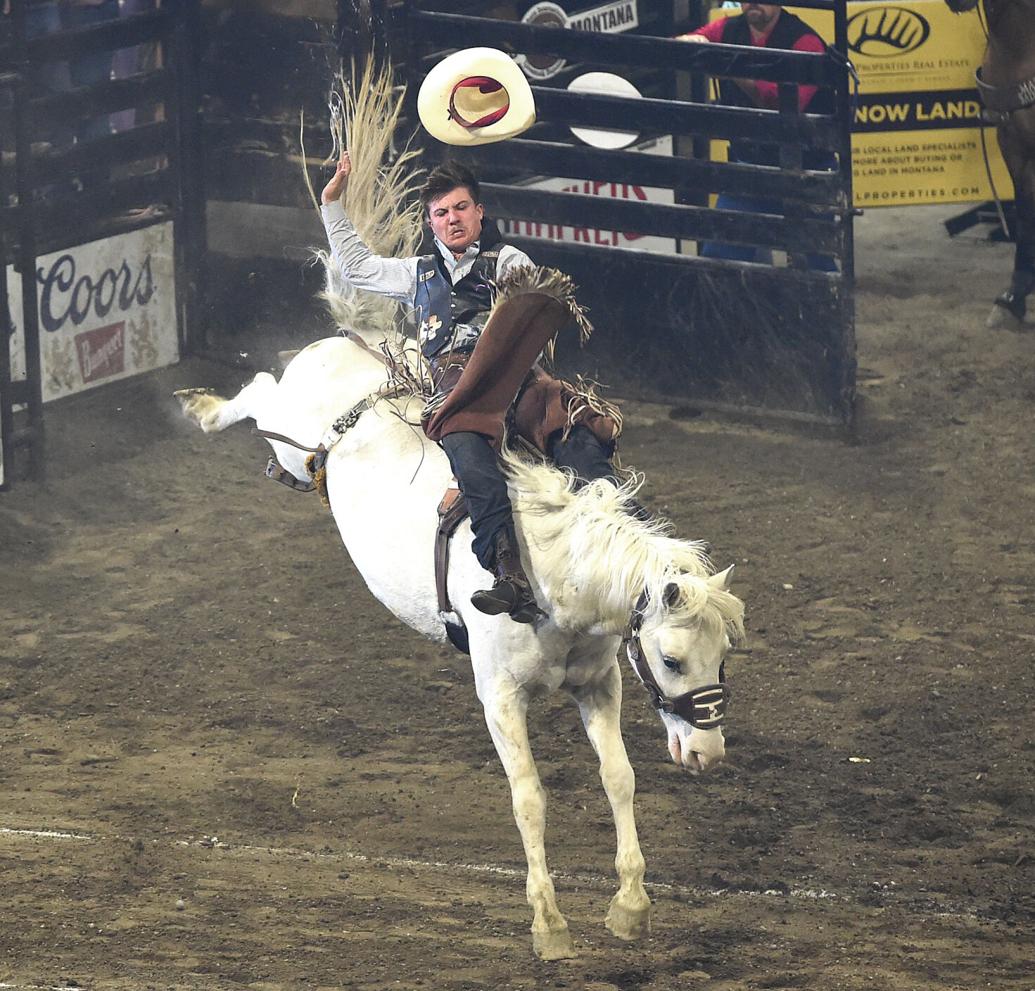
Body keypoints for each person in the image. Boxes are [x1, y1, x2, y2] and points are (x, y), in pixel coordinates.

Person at [320, 155, 620, 625]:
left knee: (572, 422)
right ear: (430, 222)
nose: (452, 219)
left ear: (480, 212)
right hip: (458, 392)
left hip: (516, 376)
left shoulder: (508, 262)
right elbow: (357, 267)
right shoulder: (415, 273)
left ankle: (624, 521)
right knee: (467, 451)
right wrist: (331, 203)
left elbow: (533, 306)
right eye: (441, 213)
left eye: (460, 208)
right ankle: (507, 572)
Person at [678, 2, 837, 271]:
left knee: (815, 262)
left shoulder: (804, 41)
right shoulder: (729, 28)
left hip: (806, 173)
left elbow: (782, 102)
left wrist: (730, 67)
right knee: (719, 258)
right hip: (750, 167)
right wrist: (693, 41)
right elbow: (688, 41)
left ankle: (826, 308)